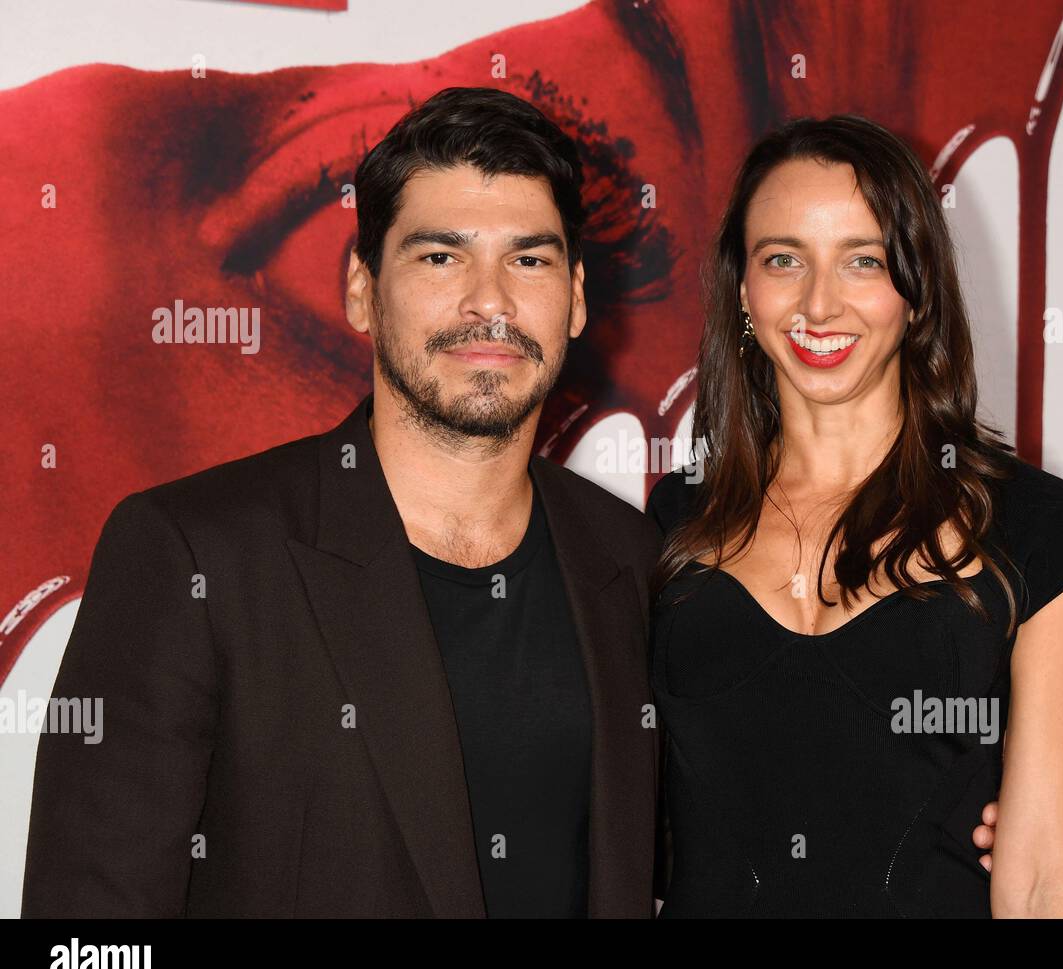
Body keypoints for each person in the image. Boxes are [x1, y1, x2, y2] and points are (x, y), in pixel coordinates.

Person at [21, 87, 665, 918]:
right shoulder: (193, 557)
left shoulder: (630, 559)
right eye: (441, 257)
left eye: (529, 259)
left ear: (575, 297)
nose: (490, 301)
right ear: (363, 290)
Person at [646, 114, 1063, 918]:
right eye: (783, 260)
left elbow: (1038, 882)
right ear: (742, 290)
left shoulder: (1047, 534)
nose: (820, 304)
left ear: (916, 287)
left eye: (862, 261)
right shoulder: (677, 518)